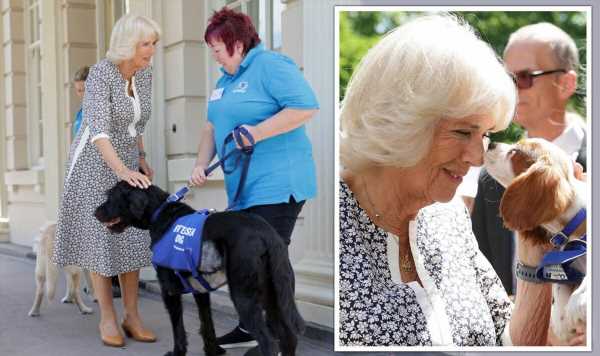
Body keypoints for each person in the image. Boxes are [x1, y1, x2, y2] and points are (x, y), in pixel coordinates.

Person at [338, 14, 559, 346]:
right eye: (462, 132)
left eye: (483, 134)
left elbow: (506, 342)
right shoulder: (334, 222)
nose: (477, 156)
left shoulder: (450, 214)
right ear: (398, 124)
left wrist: (535, 249)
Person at [189, 7, 319, 351]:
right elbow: (211, 127)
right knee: (248, 259)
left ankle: (276, 333)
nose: (213, 53)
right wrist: (201, 164)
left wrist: (258, 132)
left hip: (279, 181)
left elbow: (306, 107)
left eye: (218, 46)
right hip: (244, 188)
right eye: (211, 47)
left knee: (266, 258)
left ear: (238, 42)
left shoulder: (272, 66)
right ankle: (252, 326)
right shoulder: (223, 82)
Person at [53, 14, 160, 347]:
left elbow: (138, 125)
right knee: (102, 239)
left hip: (125, 158)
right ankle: (108, 318)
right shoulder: (101, 74)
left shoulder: (144, 73)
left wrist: (139, 160)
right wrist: (121, 171)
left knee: (132, 238)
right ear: (128, 43)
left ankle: (132, 316)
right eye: (146, 43)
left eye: (154, 43)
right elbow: (98, 130)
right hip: (92, 161)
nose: (152, 50)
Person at [471, 22, 586, 298]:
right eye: (505, 80)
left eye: (523, 78)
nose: (511, 90)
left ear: (566, 83)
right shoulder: (491, 176)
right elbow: (483, 276)